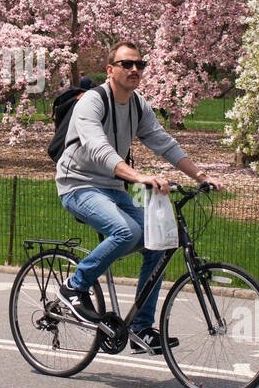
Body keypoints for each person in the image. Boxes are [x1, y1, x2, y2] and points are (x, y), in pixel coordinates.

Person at [54, 41, 218, 354]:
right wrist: (139, 176)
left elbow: (164, 144)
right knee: (126, 231)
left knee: (160, 242)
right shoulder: (91, 102)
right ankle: (74, 286)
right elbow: (97, 149)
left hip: (113, 188)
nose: (134, 70)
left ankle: (141, 329)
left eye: (139, 65)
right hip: (78, 185)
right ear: (110, 69)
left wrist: (200, 177)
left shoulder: (137, 105)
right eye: (126, 64)